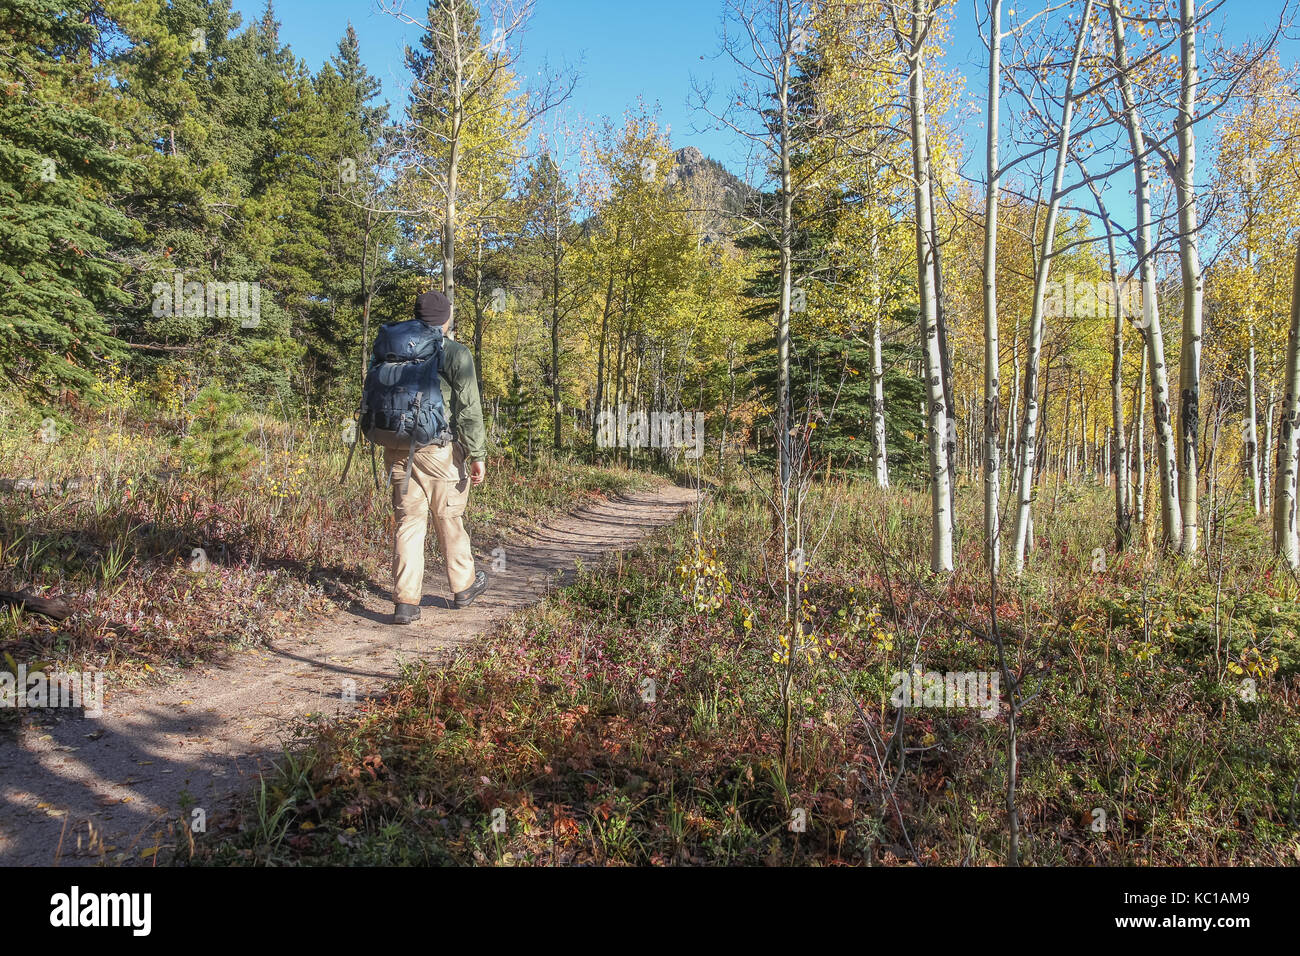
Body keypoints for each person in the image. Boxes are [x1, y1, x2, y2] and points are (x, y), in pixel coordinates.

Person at [384, 290, 489, 624]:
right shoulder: (455, 353)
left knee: (409, 521)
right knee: (448, 517)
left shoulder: (393, 347)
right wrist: (476, 453)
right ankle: (464, 586)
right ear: (446, 318)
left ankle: (405, 602)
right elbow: (469, 407)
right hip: (437, 448)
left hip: (396, 446)